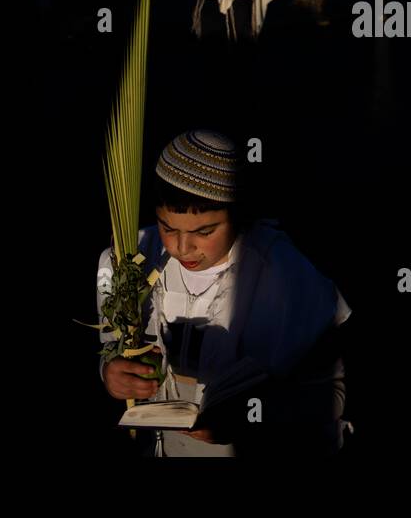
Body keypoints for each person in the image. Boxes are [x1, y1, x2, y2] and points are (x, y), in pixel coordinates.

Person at [96, 129, 352, 457]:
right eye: (167, 227)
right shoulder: (134, 259)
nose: (180, 247)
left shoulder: (284, 277)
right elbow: (111, 347)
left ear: (238, 214)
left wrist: (253, 414)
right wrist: (111, 373)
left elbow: (333, 395)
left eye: (204, 231)